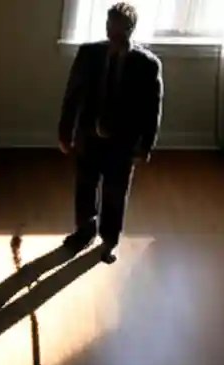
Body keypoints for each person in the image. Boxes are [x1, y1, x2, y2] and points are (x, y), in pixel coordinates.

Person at [58, 2, 163, 264]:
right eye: (109, 25)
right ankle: (84, 231)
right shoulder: (88, 54)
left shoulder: (147, 64)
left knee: (115, 193)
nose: (112, 32)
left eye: (118, 27)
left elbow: (152, 109)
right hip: (88, 137)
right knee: (85, 186)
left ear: (131, 29)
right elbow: (73, 95)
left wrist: (146, 146)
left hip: (122, 142)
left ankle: (109, 240)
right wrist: (65, 132)